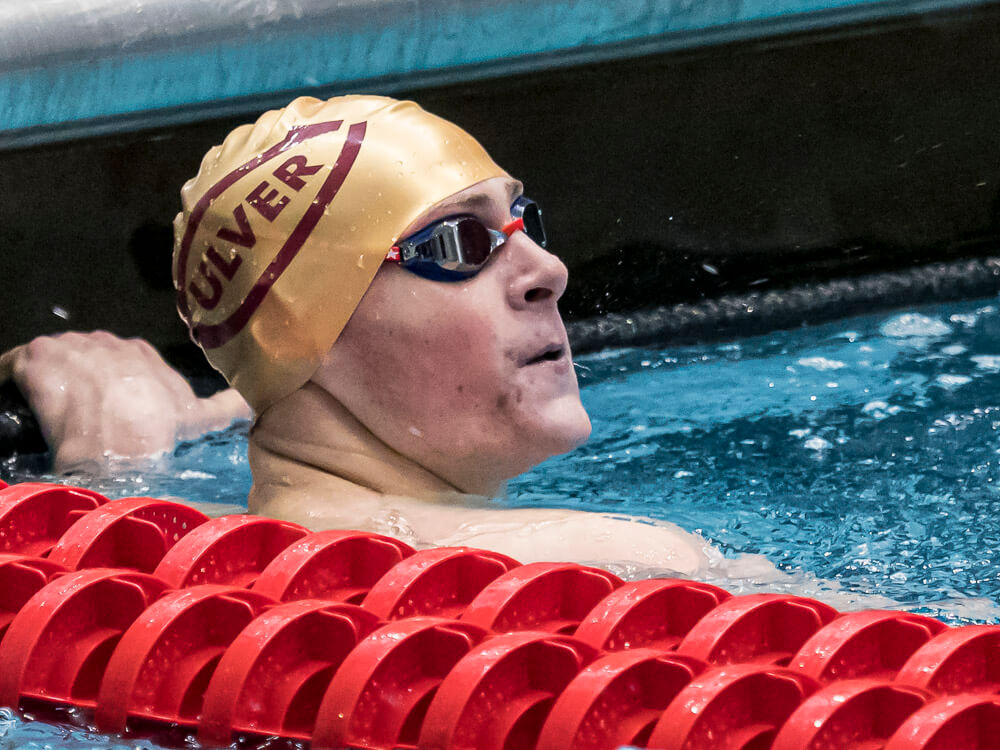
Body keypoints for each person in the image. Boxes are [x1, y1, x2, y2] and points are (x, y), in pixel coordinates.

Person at [1, 95, 771, 577]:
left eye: (521, 221)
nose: (549, 270)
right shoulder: (635, 564)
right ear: (306, 329)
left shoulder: (187, 547)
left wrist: (116, 472)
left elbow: (268, 394)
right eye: (458, 244)